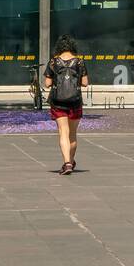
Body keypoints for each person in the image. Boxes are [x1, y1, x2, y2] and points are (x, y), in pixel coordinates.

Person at [44, 34, 90, 175]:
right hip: (75, 101)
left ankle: (67, 163)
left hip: (58, 102)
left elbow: (47, 84)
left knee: (63, 132)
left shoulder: (53, 62)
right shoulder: (79, 62)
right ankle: (71, 160)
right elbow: (85, 83)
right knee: (73, 134)